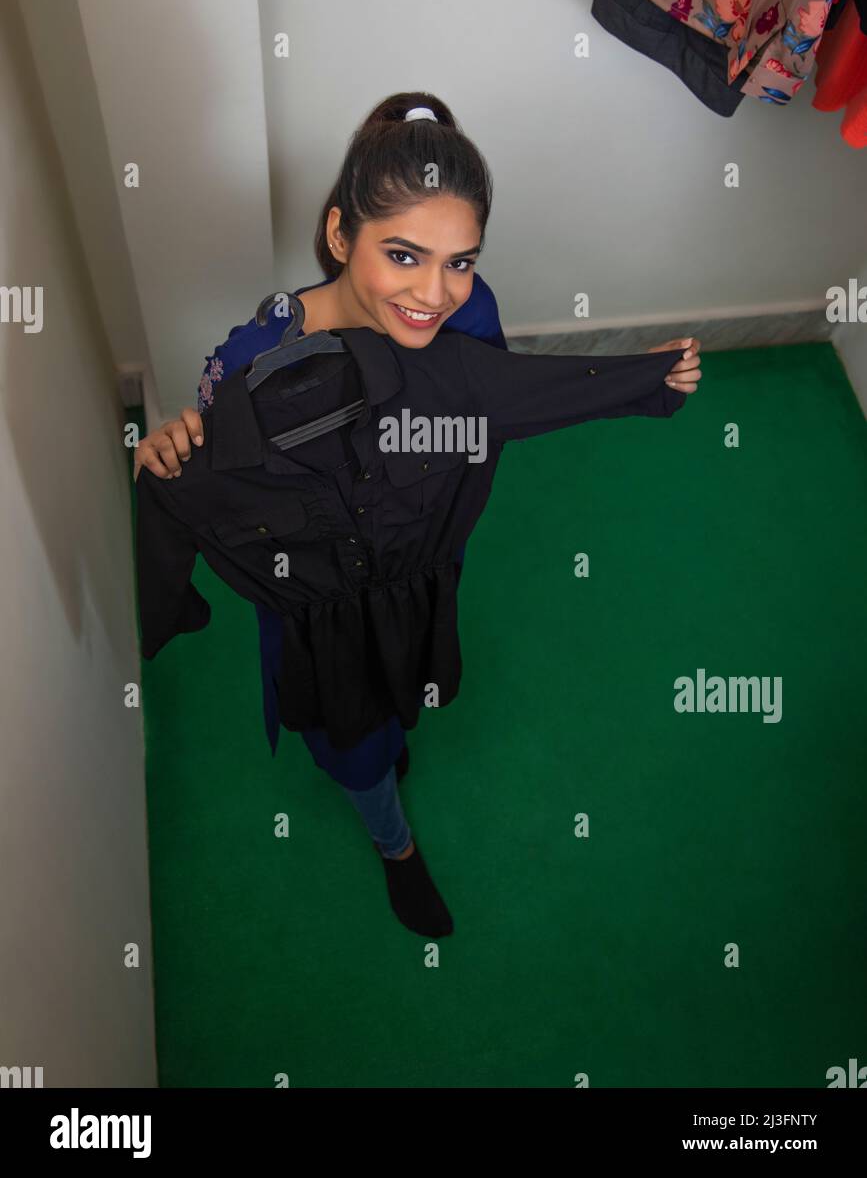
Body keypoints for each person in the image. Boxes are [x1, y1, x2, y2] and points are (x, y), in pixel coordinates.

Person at [133, 91, 702, 938]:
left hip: (419, 568)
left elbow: (495, 400)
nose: (433, 294)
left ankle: (390, 748)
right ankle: (394, 845)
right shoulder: (261, 357)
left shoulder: (469, 313)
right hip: (320, 606)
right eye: (403, 255)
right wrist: (172, 448)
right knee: (355, 746)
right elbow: (209, 458)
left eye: (459, 260)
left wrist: (627, 379)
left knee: (404, 696)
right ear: (338, 236)